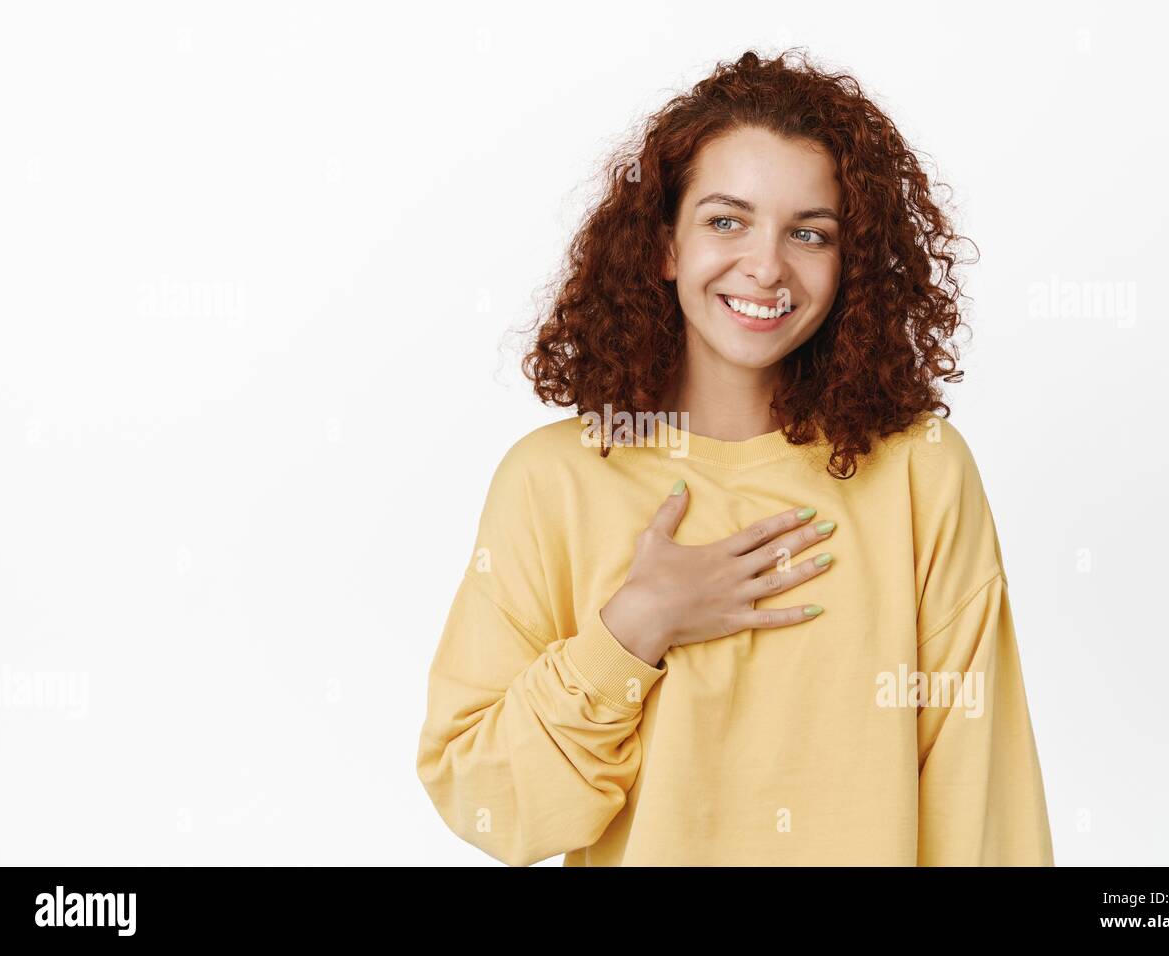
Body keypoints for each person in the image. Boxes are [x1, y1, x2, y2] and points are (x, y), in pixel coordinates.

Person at [416, 48, 1053, 866]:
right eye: (726, 220)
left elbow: (984, 803)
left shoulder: (922, 472)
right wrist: (634, 627)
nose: (765, 266)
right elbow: (489, 805)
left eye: (809, 233)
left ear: (847, 261)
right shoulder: (553, 480)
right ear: (665, 246)